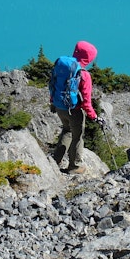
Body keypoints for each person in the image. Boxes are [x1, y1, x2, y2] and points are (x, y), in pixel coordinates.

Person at [52, 40, 98, 174]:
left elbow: (53, 84)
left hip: (59, 106)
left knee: (67, 131)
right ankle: (75, 166)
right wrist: (93, 116)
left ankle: (55, 160)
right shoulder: (84, 74)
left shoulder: (62, 65)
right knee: (77, 137)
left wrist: (53, 102)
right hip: (74, 110)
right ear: (88, 57)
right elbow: (87, 102)